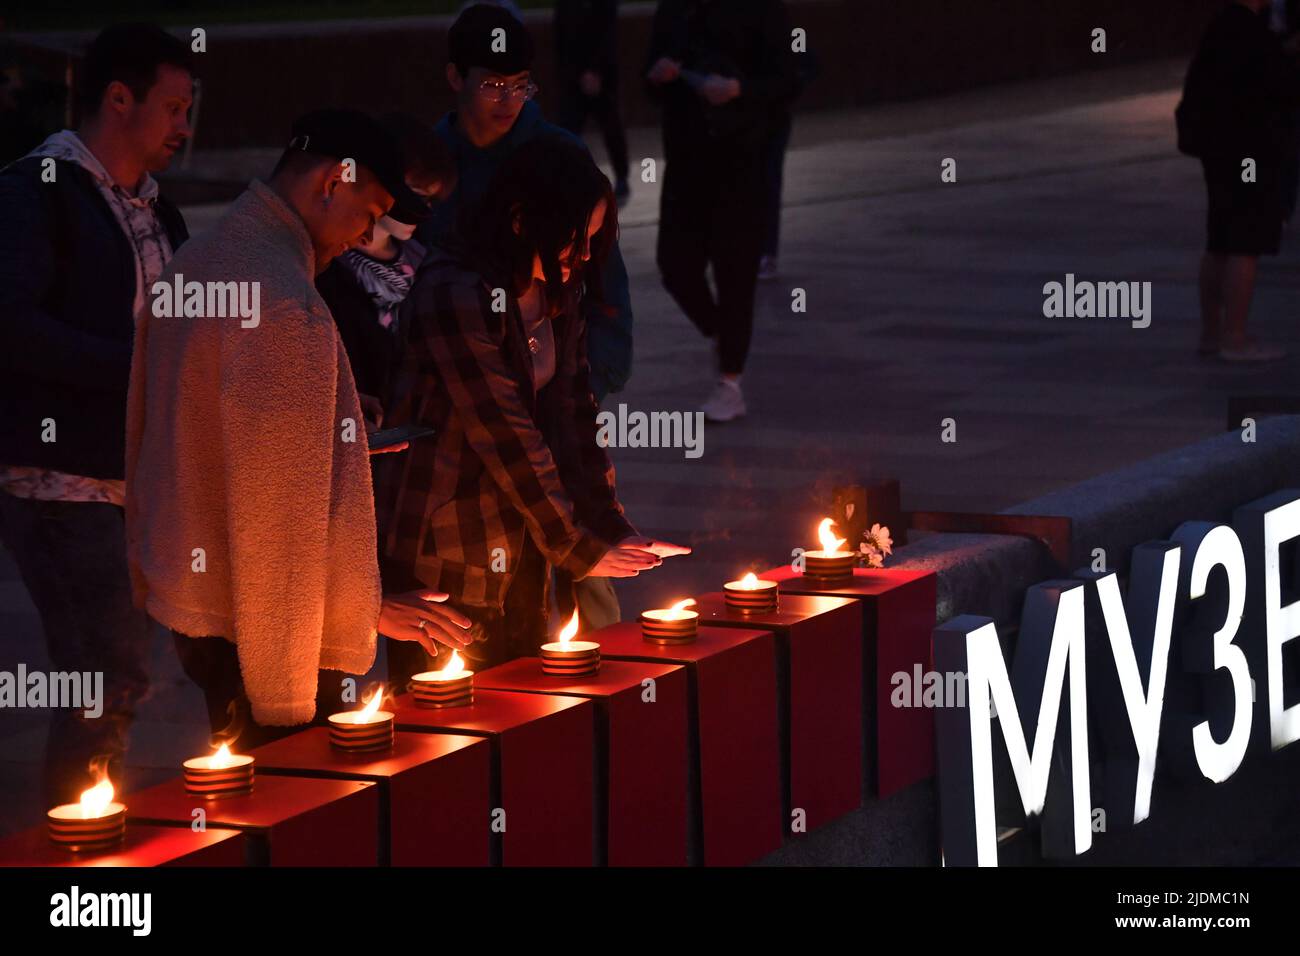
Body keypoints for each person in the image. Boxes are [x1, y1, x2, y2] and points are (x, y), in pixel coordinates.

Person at [125, 109, 470, 748]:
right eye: (368, 216)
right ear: (331, 184)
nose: (362, 236)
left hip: (200, 595)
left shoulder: (200, 259)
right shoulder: (284, 304)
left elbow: (150, 425)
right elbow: (277, 517)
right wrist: (292, 684)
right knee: (293, 808)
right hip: (268, 628)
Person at [380, 136, 688, 675]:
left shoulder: (556, 289)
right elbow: (506, 433)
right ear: (522, 220)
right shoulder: (455, 292)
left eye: (593, 240)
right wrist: (576, 547)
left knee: (521, 720)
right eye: (573, 239)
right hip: (451, 553)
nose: (584, 256)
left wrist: (608, 525)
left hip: (522, 544)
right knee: (450, 736)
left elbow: (573, 412)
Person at [0, 23, 193, 806]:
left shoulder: (154, 208)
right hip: (60, 483)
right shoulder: (34, 191)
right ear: (120, 99)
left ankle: (87, 820)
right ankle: (72, 844)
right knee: (104, 675)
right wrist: (139, 370)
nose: (186, 126)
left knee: (121, 673)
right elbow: (13, 325)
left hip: (131, 479)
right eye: (175, 107)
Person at [422, 3, 637, 631]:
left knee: (575, 591)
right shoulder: (434, 167)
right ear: (453, 77)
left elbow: (604, 287)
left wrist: (590, 379)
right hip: (461, 407)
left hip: (550, 391)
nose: (508, 99)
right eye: (493, 84)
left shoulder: (559, 157)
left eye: (521, 85)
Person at [316, 112, 457, 687]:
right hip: (351, 453)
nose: (414, 215)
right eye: (408, 199)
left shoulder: (420, 261)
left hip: (400, 450)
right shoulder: (328, 271)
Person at [645, 0, 800, 422]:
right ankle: (721, 332)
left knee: (735, 272)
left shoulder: (762, 11)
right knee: (675, 264)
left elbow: (790, 77)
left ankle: (730, 383)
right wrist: (660, 75)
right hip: (686, 159)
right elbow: (649, 79)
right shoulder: (673, 10)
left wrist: (739, 91)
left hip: (741, 158)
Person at [1180, 0, 1300, 362]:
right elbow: (1273, 86)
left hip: (1218, 149)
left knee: (1218, 239)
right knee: (1245, 242)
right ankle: (1235, 336)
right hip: (1250, 150)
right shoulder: (1248, 30)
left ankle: (1211, 334)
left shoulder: (1222, 25)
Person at [554, 0, 630, 205]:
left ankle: (622, 176)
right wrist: (573, 74)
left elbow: (608, 37)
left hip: (602, 78)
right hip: (574, 78)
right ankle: (564, 179)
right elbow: (562, 38)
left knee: (611, 128)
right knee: (566, 131)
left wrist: (596, 71)